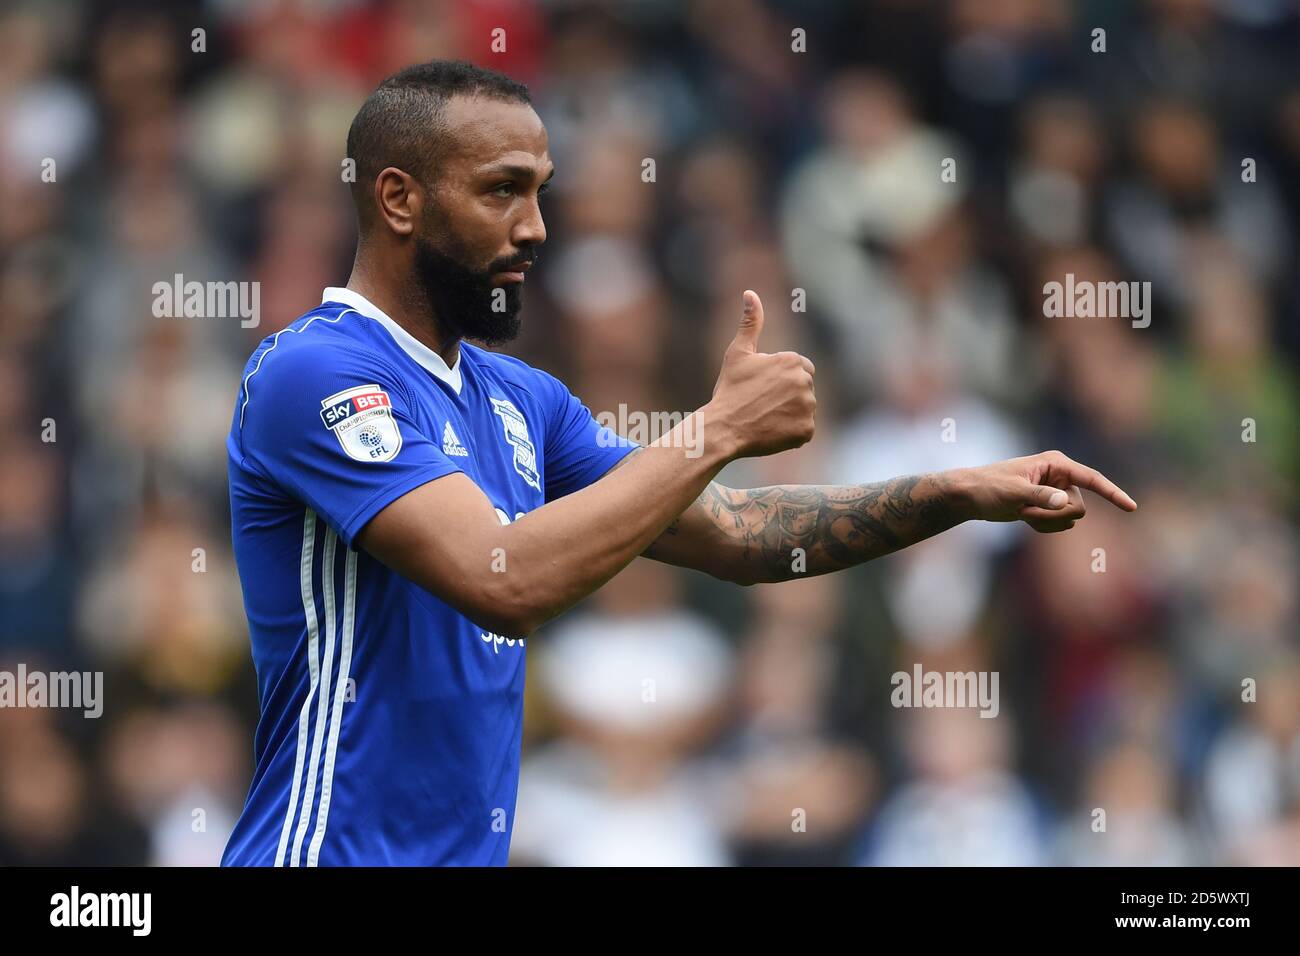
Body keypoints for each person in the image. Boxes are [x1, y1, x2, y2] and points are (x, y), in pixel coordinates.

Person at [221, 60, 1136, 866]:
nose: (537, 227)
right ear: (398, 199)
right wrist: (715, 432)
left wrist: (953, 492)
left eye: (541, 191)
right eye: (502, 191)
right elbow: (501, 577)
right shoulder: (317, 372)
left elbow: (740, 535)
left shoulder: (518, 399)